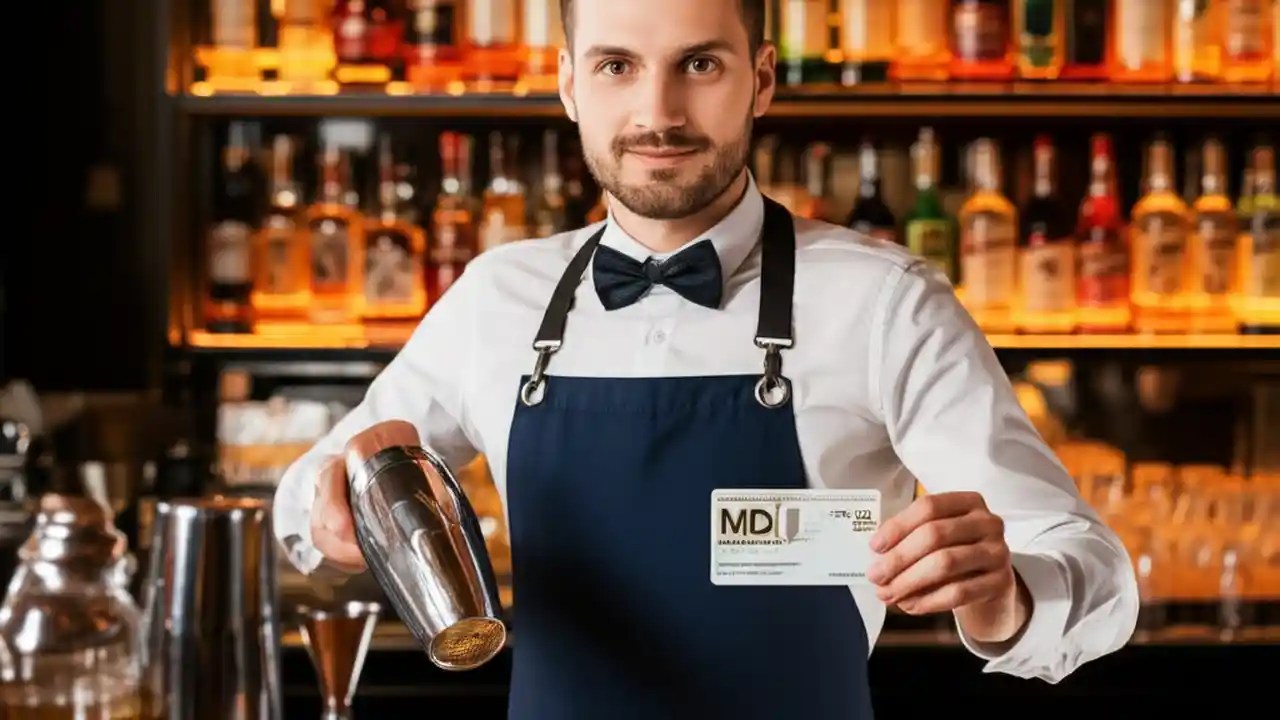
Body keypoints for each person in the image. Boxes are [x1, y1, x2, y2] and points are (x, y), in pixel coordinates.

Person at [272, 0, 1140, 716]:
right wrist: (335, 512)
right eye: (617, 66)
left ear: (761, 78)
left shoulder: (885, 301)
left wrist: (1004, 593)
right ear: (569, 84)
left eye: (700, 64)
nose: (659, 114)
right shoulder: (497, 297)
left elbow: (1091, 570)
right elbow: (307, 495)